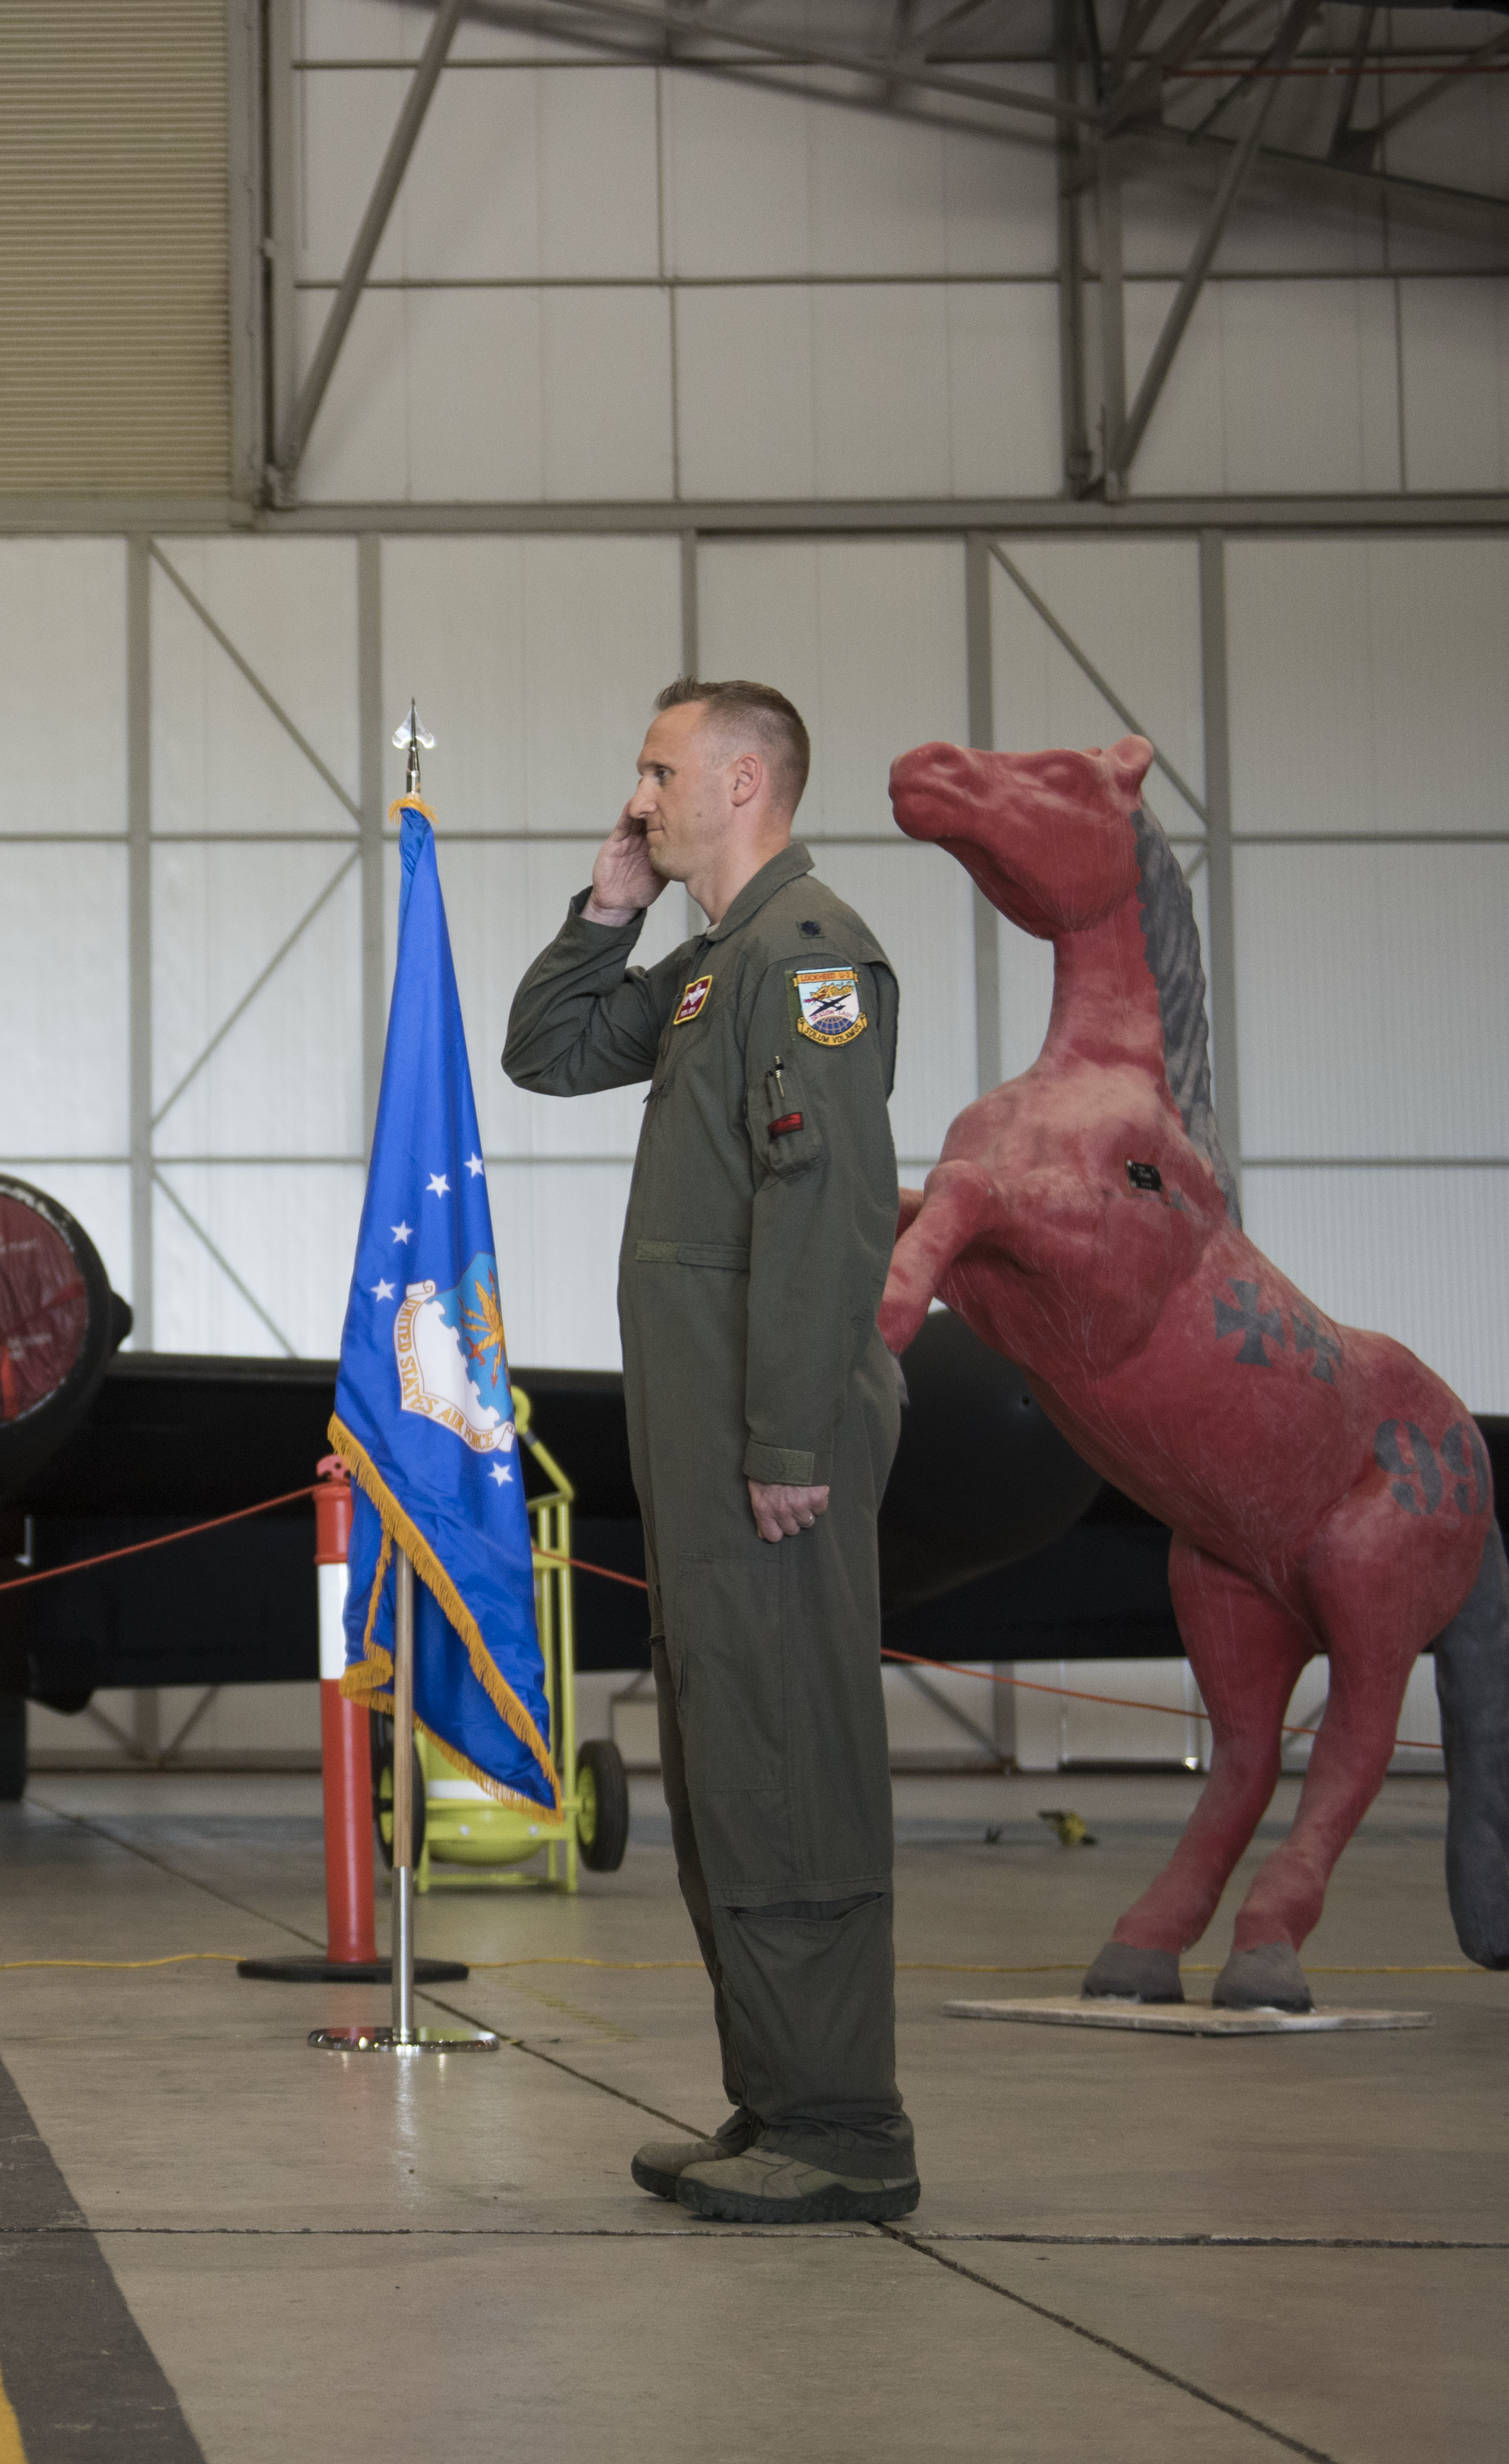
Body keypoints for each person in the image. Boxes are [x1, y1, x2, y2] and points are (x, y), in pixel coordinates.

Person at [502, 679, 919, 2226]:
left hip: (773, 1437)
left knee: (787, 1758)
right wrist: (604, 908)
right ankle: (779, 2101)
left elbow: (829, 1213)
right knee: (727, 1754)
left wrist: (790, 1432)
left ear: (744, 779)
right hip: (715, 1439)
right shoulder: (708, 966)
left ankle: (847, 2128)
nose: (638, 796)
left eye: (659, 771)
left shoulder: (809, 960)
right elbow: (541, 1052)